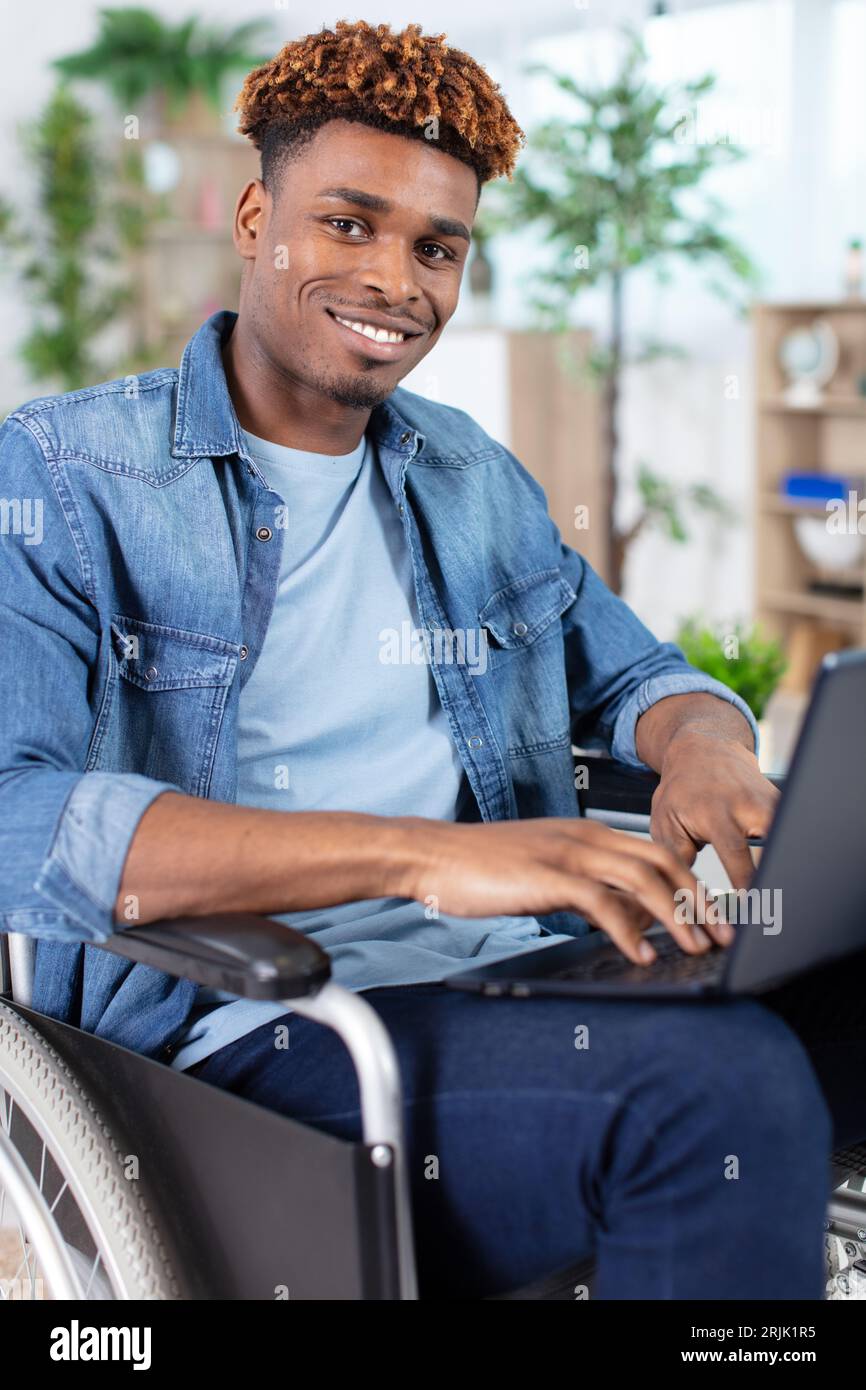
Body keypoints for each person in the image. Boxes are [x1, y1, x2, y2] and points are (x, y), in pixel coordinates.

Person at [1, 20, 863, 1299]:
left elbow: (635, 674)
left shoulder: (468, 475)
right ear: (255, 217)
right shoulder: (66, 477)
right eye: (347, 224)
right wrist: (426, 856)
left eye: (435, 246)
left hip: (507, 981)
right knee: (709, 1097)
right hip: (253, 1033)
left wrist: (703, 747)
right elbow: (22, 825)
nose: (395, 280)